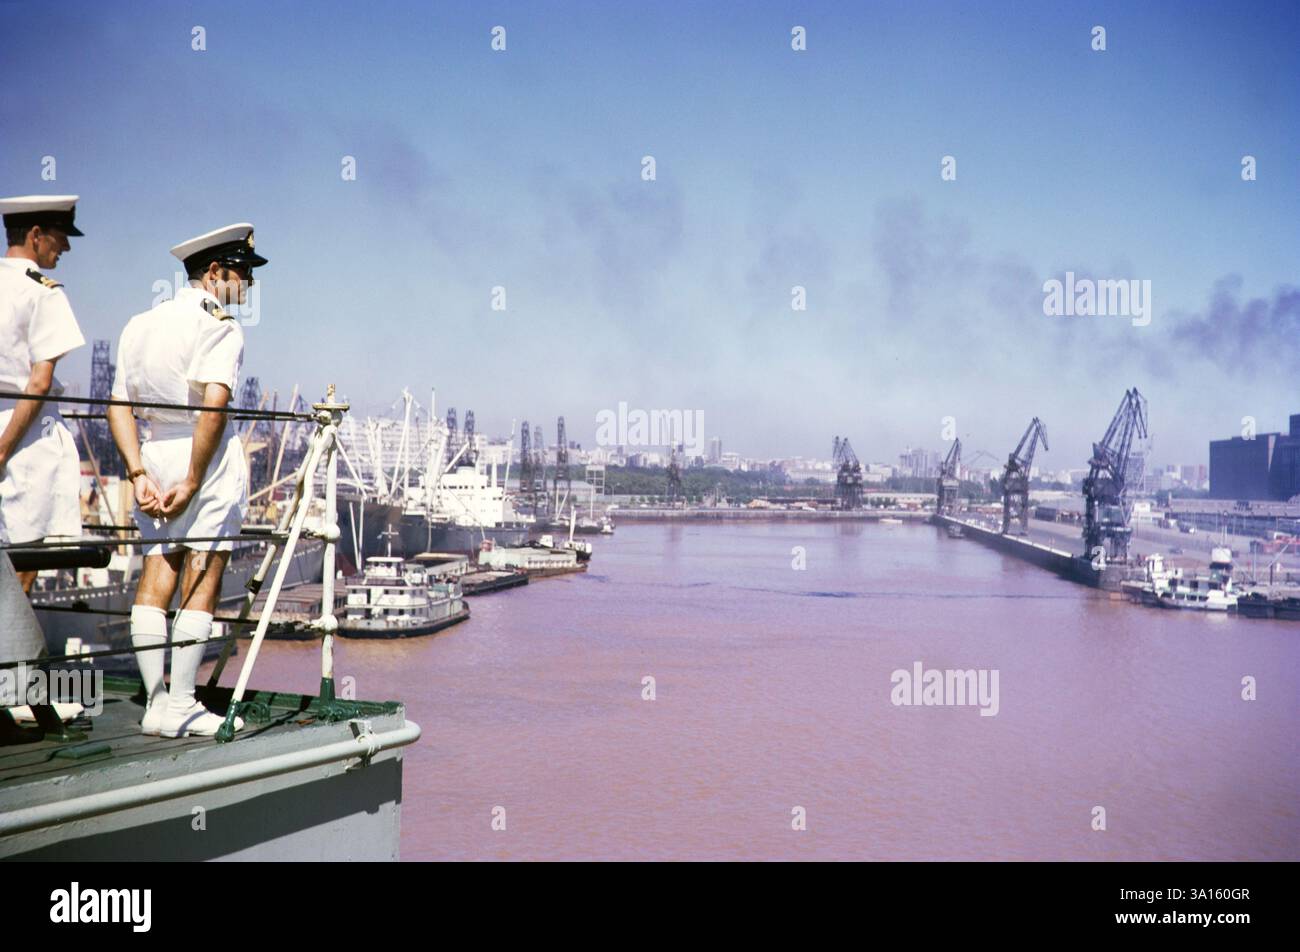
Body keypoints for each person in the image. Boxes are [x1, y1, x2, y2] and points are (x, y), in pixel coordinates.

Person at [107, 223, 266, 737]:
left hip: (155, 453)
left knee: (156, 573)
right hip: (205, 456)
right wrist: (196, 478)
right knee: (204, 572)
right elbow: (214, 407)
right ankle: (182, 703)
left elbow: (118, 406)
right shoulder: (219, 326)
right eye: (242, 273)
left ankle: (155, 704)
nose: (248, 284)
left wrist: (136, 472)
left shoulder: (139, 323)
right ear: (215, 272)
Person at [0, 195, 86, 593]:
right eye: (59, 237)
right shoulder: (43, 291)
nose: (65, 247)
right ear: (35, 235)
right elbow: (39, 382)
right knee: (23, 564)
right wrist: (3, 450)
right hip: (23, 435)